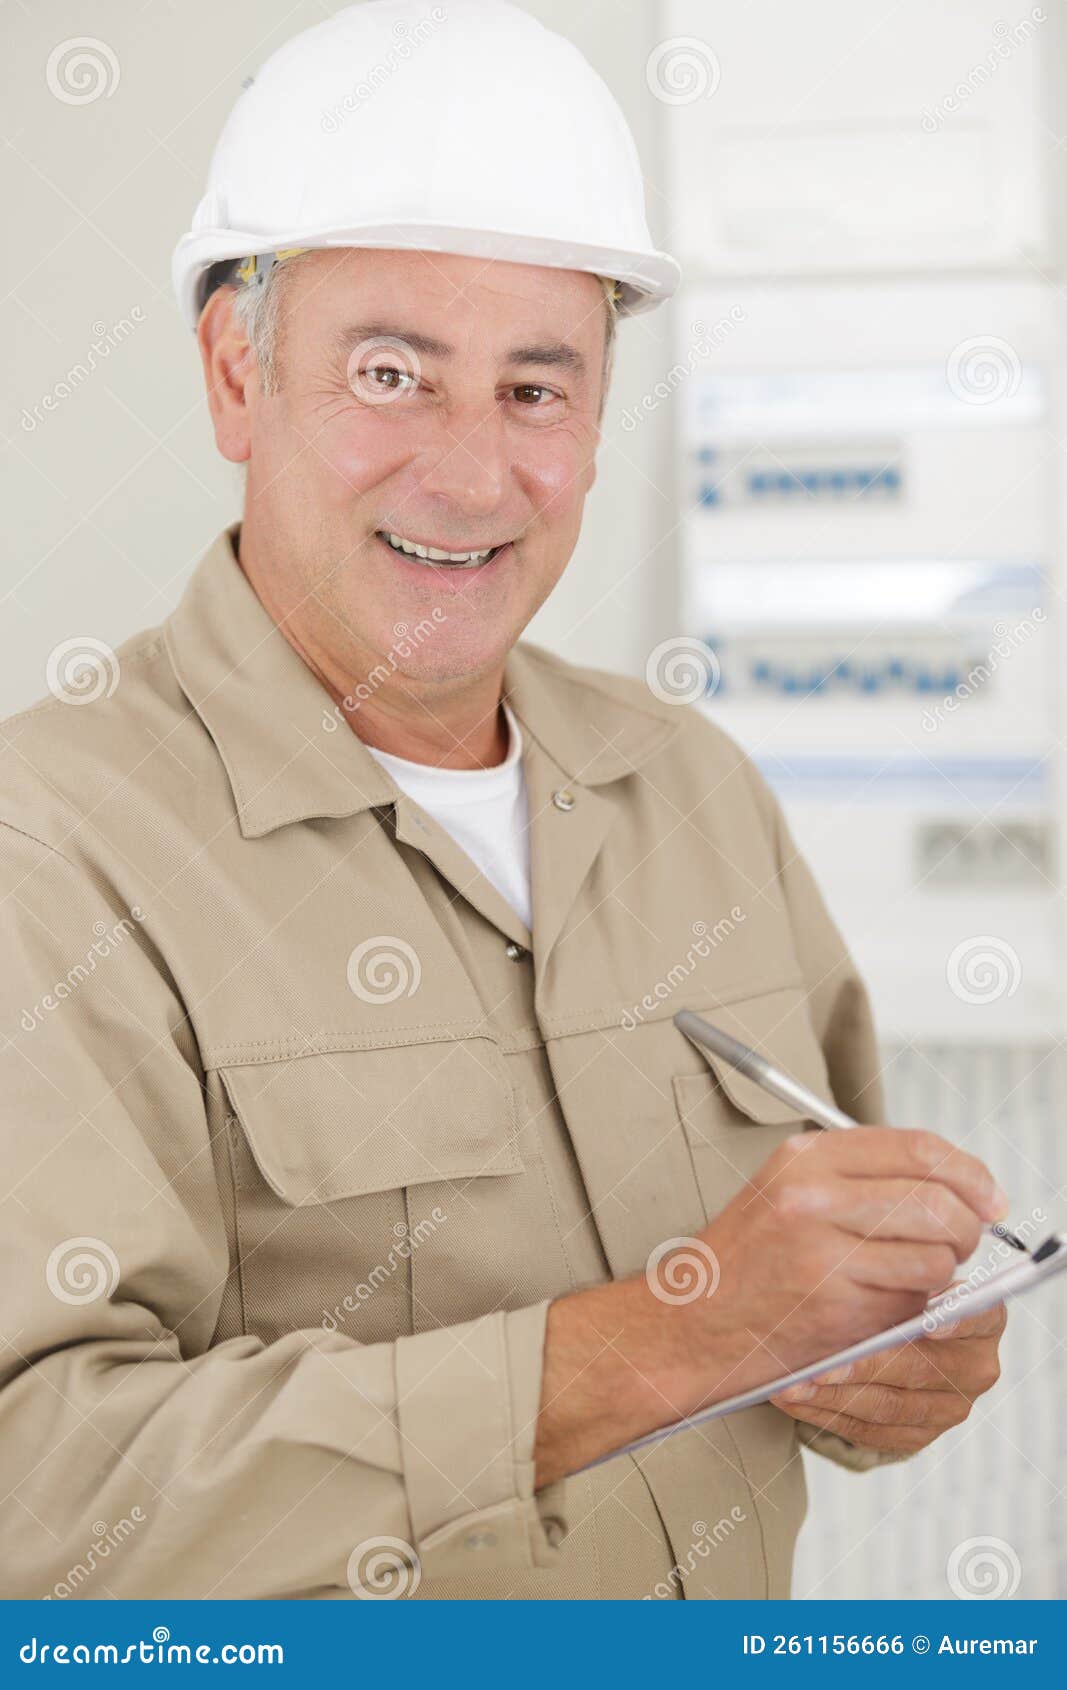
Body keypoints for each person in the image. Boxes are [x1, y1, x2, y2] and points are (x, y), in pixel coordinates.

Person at [0, 0, 1006, 1600]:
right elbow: (39, 1501)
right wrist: (670, 1337)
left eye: (538, 389)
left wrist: (891, 1361)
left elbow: (839, 1295)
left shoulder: (690, 788)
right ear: (235, 375)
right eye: (394, 372)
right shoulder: (47, 849)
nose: (472, 474)